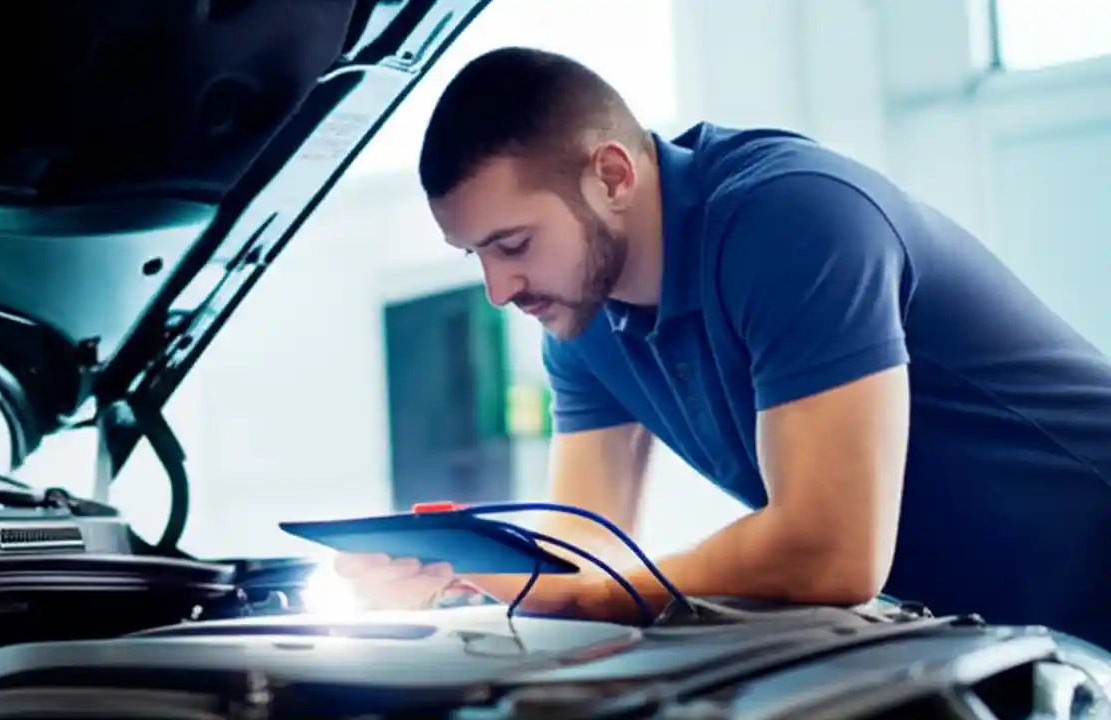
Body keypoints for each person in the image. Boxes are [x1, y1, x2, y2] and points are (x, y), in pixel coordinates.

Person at [333, 47, 1111, 647]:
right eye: (478, 257)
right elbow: (581, 544)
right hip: (1026, 634)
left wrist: (601, 592)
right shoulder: (582, 318)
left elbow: (829, 552)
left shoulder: (792, 220)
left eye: (513, 244)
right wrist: (459, 568)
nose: (500, 290)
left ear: (611, 175)